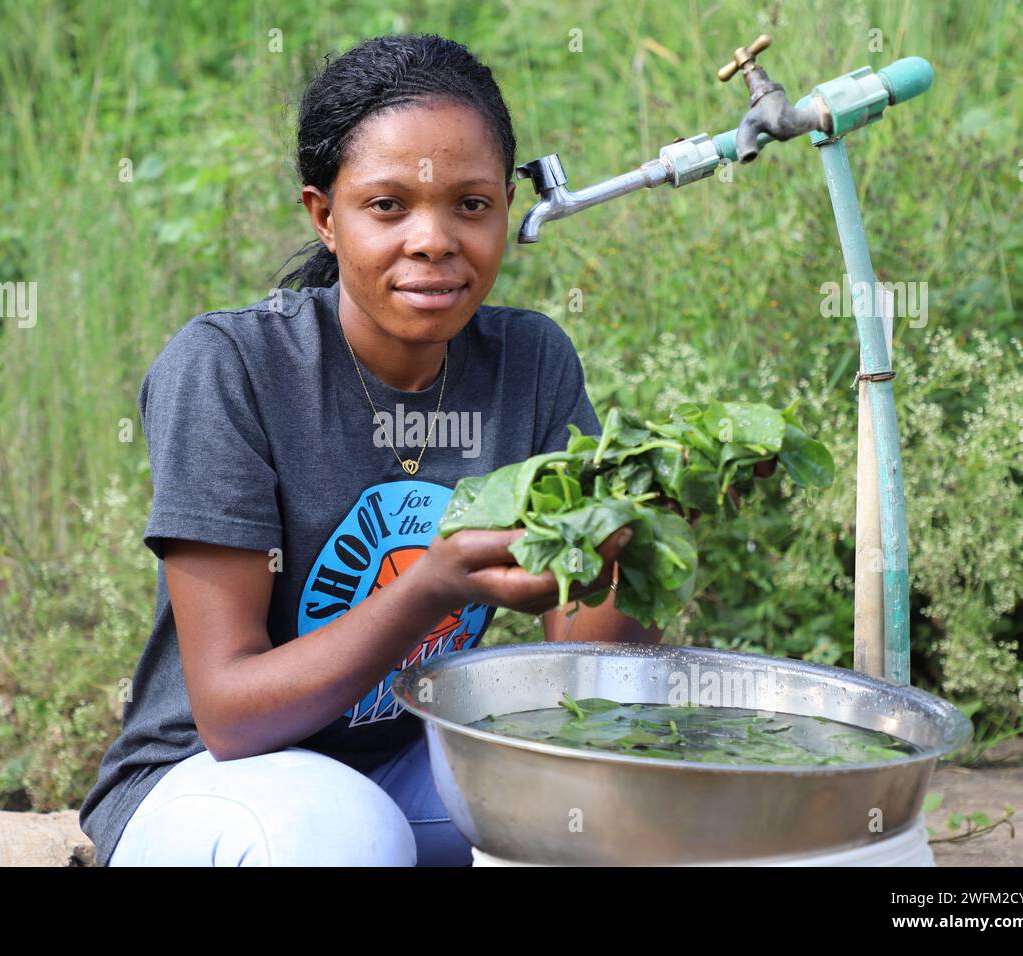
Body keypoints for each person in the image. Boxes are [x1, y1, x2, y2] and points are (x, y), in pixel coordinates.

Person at [79, 32, 660, 868]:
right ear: (324, 216)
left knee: (613, 797)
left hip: (406, 762)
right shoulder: (232, 368)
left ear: (506, 205)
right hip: (213, 781)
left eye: (471, 204)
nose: (434, 241)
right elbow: (230, 711)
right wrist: (427, 590)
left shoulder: (530, 363)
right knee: (345, 836)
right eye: (388, 206)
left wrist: (627, 543)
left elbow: (595, 655)